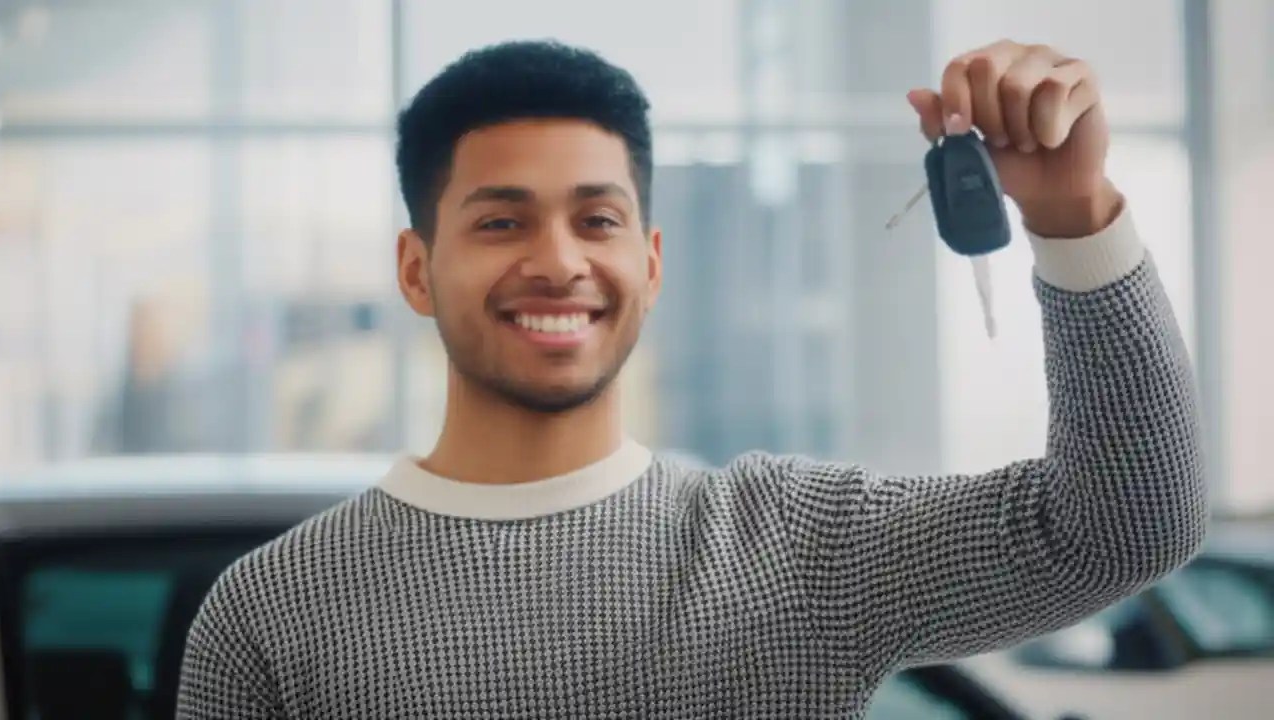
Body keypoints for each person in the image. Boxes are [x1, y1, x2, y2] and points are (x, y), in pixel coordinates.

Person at [177, 38, 1207, 719]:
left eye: (596, 219)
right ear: (415, 270)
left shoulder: (799, 547)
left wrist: (1071, 213)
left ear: (651, 264)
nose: (557, 261)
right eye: (500, 221)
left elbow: (1124, 526)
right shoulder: (274, 610)